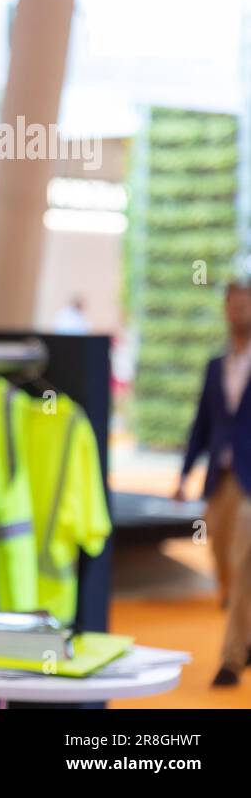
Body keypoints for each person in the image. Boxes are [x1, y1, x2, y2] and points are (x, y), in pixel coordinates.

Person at [175, 282, 251, 686]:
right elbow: (201, 424)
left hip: (250, 482)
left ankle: (231, 659)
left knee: (244, 565)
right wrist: (185, 474)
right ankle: (246, 632)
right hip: (219, 479)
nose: (238, 311)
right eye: (233, 305)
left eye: (245, 305)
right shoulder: (215, 366)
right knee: (222, 560)